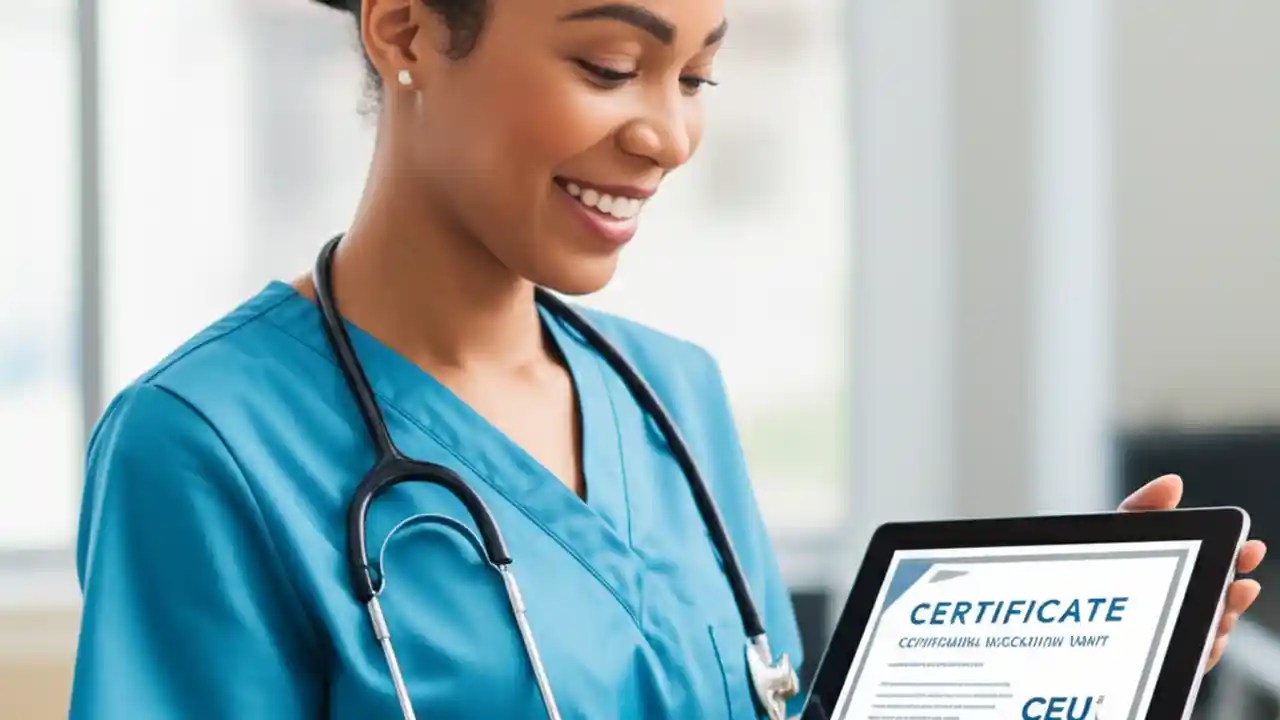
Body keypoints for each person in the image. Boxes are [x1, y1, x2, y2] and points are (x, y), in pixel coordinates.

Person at [68, 0, 1265, 718]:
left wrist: (1067, 668)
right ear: (406, 28)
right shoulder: (205, 443)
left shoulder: (670, 395)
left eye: (695, 75)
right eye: (606, 66)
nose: (668, 134)